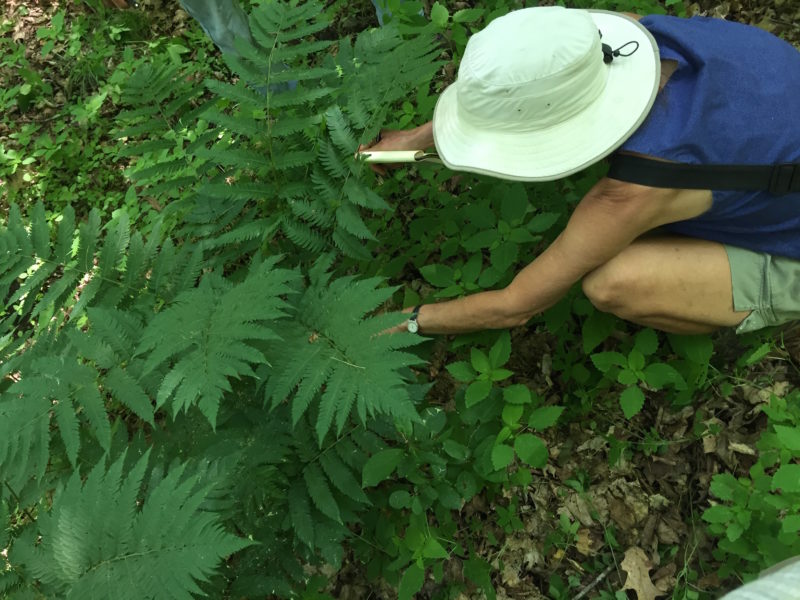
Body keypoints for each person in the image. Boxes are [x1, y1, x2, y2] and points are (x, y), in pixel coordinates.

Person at [360, 7, 800, 337]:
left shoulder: (634, 191)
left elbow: (516, 305)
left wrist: (409, 322)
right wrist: (418, 138)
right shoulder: (638, 36)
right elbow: (521, 90)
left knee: (612, 283)